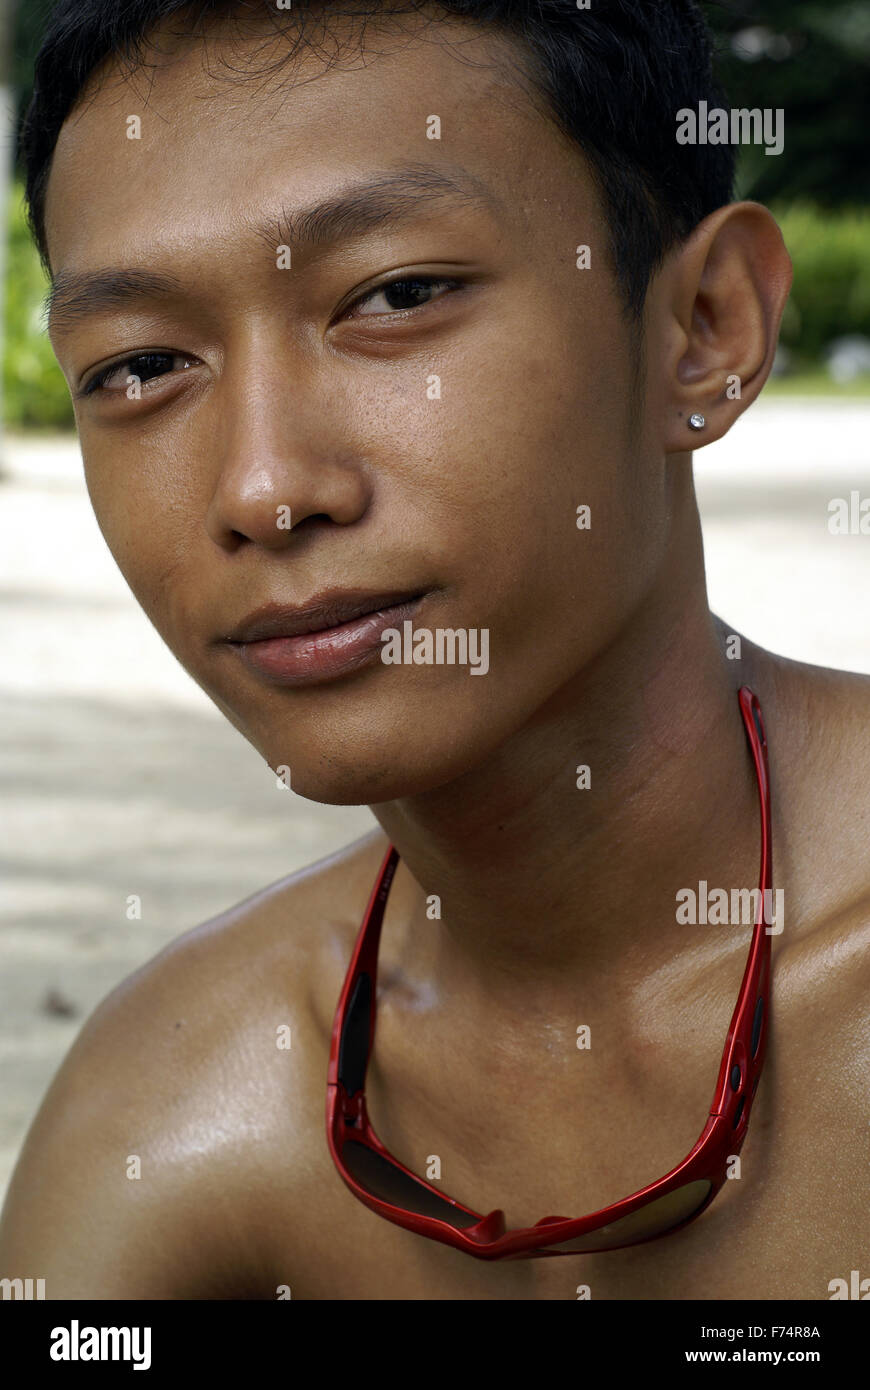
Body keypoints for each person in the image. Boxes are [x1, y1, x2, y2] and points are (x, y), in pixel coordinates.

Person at [1, 0, 867, 1300]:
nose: (264, 486)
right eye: (140, 368)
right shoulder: (174, 1116)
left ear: (702, 326)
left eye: (397, 295)